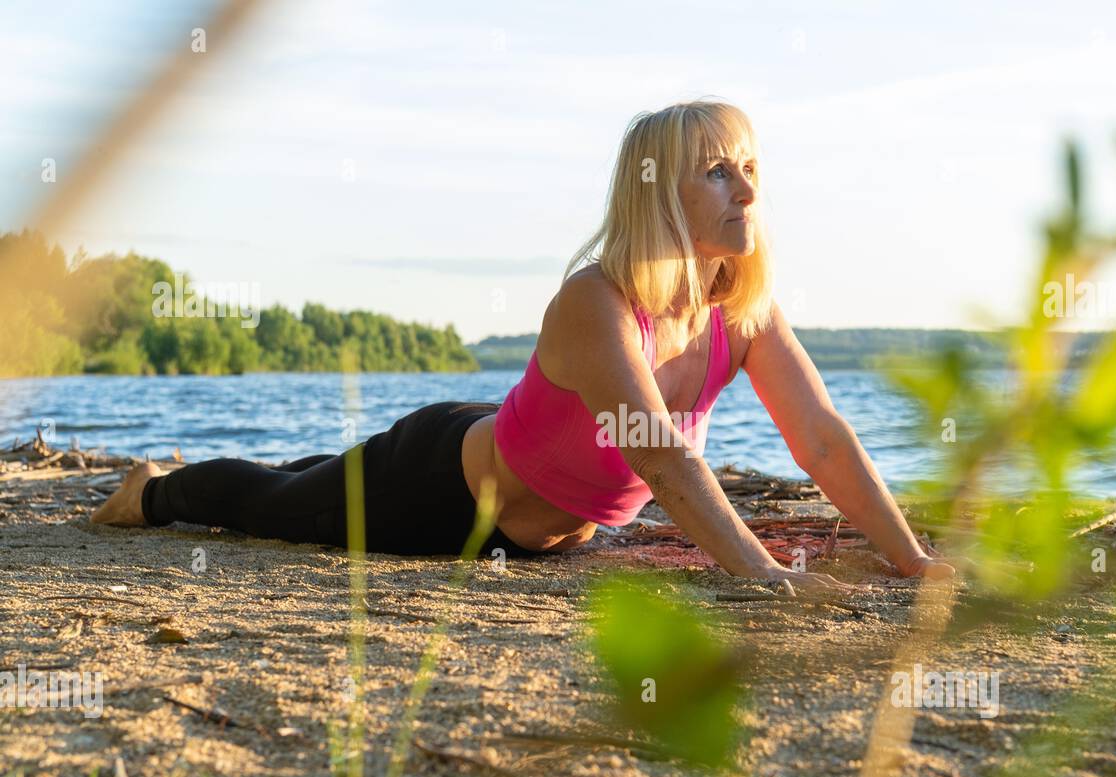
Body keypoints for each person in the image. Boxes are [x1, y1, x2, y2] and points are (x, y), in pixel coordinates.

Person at [91, 99, 955, 596]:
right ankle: (152, 493)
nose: (747, 187)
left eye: (750, 167)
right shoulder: (597, 303)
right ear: (659, 194)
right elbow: (662, 461)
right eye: (718, 170)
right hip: (439, 491)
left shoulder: (747, 310)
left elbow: (823, 439)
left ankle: (287, 470)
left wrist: (911, 559)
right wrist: (767, 577)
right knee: (273, 507)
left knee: (306, 478)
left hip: (525, 476)